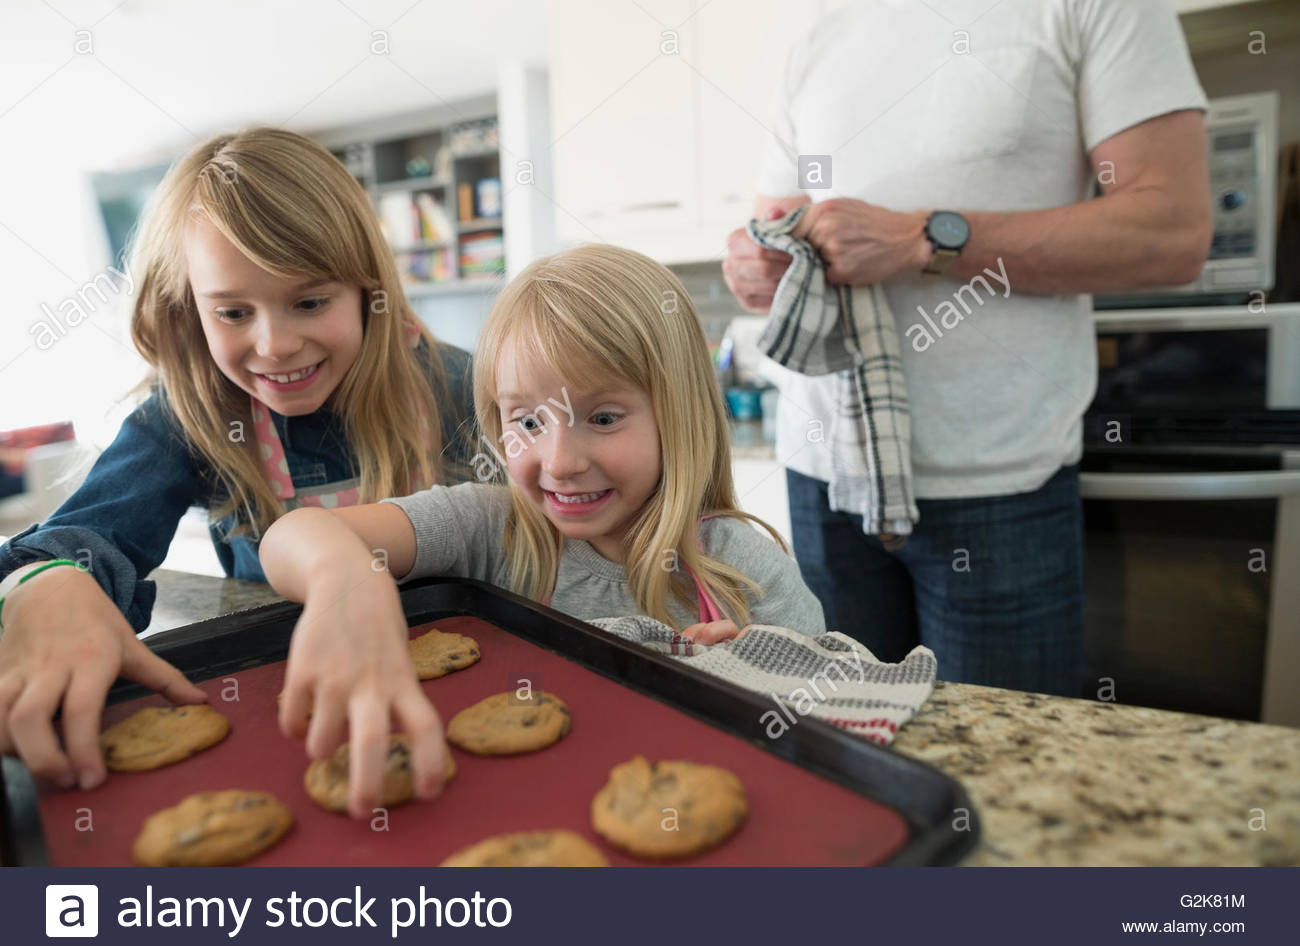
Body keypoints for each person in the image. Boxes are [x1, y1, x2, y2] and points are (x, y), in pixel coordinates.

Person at [722, 0, 1212, 695]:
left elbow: (1174, 231)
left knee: (1001, 779)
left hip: (1000, 490)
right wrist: (752, 265)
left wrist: (925, 238)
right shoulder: (820, 36)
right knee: (847, 761)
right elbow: (769, 224)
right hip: (820, 477)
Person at [0, 128, 474, 814]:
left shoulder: (450, 383)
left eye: (311, 301)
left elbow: (555, 511)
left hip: (467, 681)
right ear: (186, 307)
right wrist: (51, 584)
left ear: (369, 290)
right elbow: (79, 542)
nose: (275, 345)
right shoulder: (188, 419)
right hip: (293, 714)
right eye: (233, 312)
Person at [259, 245, 826, 798]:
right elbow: (290, 537)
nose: (559, 461)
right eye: (528, 421)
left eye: (603, 417)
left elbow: (836, 725)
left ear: (680, 416)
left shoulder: (745, 574)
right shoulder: (486, 527)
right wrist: (342, 577)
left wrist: (756, 682)